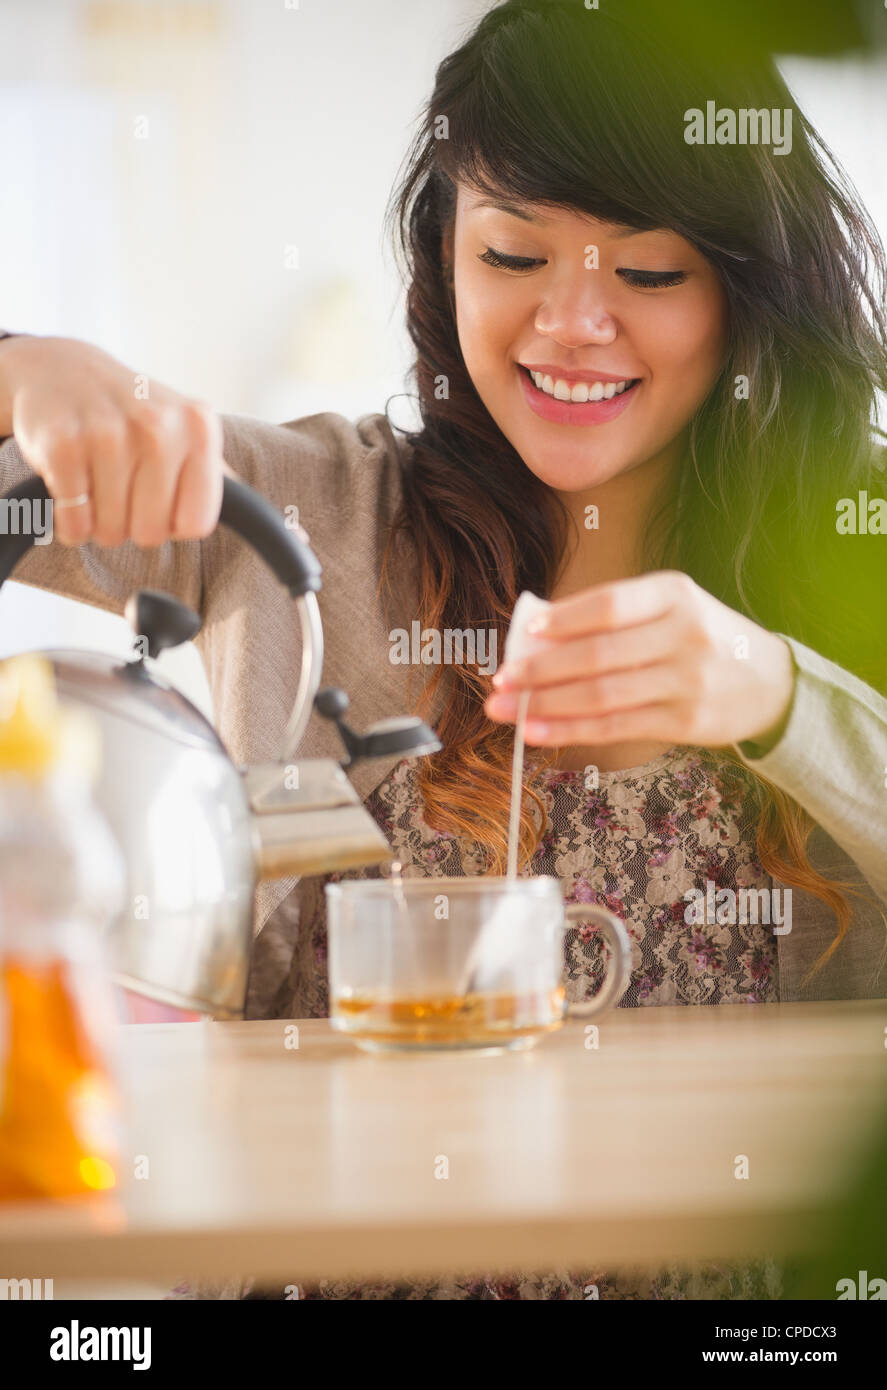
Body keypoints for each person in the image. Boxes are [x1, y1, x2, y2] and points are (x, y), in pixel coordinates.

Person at [0, 0, 885, 1299]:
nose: (572, 325)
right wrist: (25, 365)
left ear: (745, 297)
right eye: (514, 255)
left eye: (647, 272)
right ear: (442, 262)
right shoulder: (296, 517)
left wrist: (780, 698)